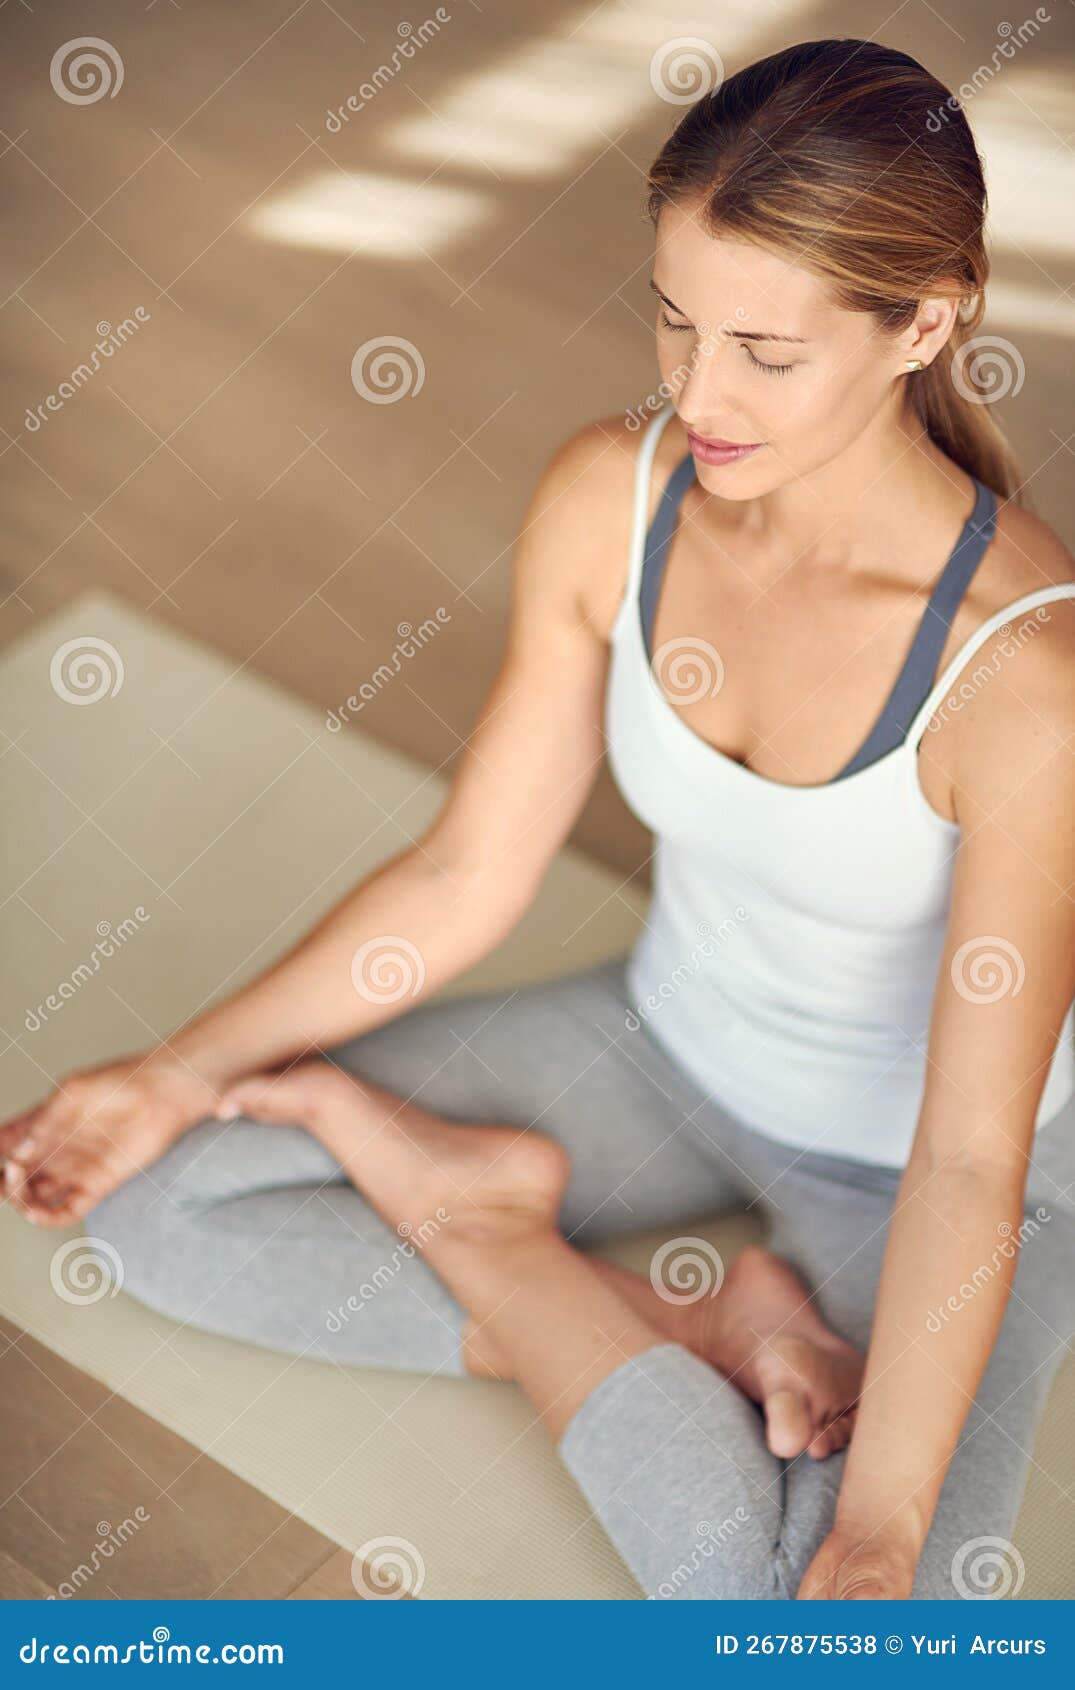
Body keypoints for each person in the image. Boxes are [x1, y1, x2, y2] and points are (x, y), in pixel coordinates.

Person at [3, 38, 1075, 1601]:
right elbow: (465, 867)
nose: (698, 396)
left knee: (787, 1607)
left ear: (927, 319)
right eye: (674, 318)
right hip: (661, 1041)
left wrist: (878, 1531)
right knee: (161, 1196)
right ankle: (684, 1307)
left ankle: (494, 1231)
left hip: (931, 1178)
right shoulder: (612, 495)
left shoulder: (1028, 679)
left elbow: (969, 1157)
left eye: (766, 354)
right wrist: (179, 1070)